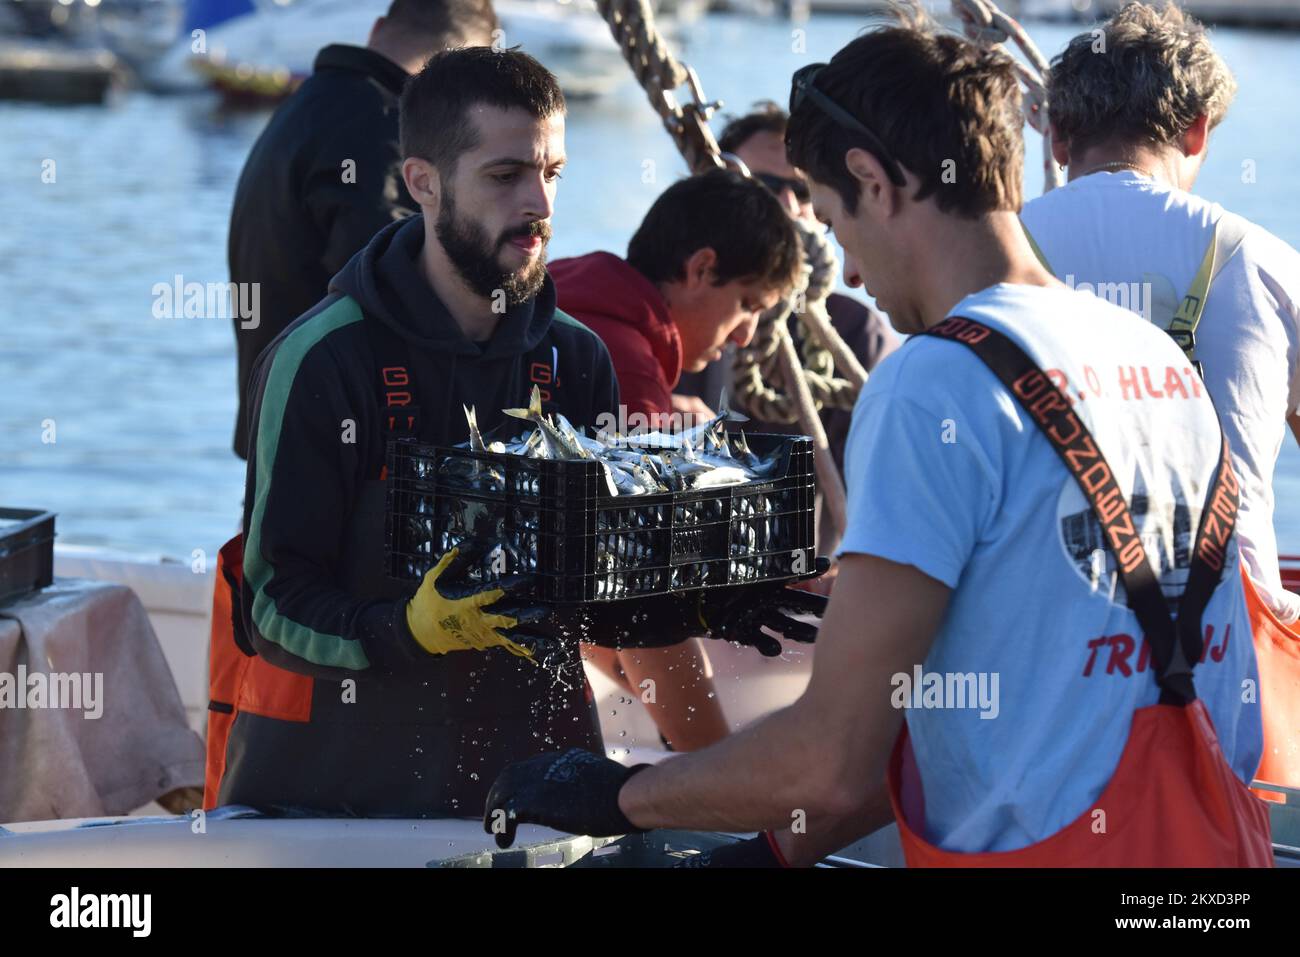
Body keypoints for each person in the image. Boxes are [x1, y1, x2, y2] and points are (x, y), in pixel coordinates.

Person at [480, 9, 1272, 867]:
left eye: (834, 219)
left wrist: (618, 795)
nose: (849, 271)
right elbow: (1024, 692)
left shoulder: (939, 378)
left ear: (874, 178)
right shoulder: (1154, 354)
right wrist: (773, 854)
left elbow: (832, 758)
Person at [213, 47, 621, 817]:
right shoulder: (322, 359)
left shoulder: (578, 358)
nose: (538, 203)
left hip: (527, 800)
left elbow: (589, 595)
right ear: (422, 183)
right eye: (505, 176)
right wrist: (406, 629)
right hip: (331, 809)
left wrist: (686, 598)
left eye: (553, 173)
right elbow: (272, 604)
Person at [1019, 1, 1300, 789]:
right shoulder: (1263, 261)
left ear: (1057, 135)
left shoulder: (995, 251)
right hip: (1225, 644)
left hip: (1039, 640)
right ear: (1199, 132)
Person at [549, 169, 802, 751]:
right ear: (700, 268)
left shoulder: (575, 295)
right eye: (747, 304)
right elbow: (642, 605)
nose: (745, 336)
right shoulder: (627, 363)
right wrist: (715, 769)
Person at [227, 0, 499, 459]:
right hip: (337, 444)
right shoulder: (382, 129)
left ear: (377, 29)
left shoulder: (306, 105)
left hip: (282, 417)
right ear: (457, 72)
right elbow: (392, 288)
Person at [678, 103, 902, 568]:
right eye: (764, 187)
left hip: (805, 595)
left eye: (802, 190)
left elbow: (887, 503)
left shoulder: (857, 335)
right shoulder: (665, 316)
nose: (785, 207)